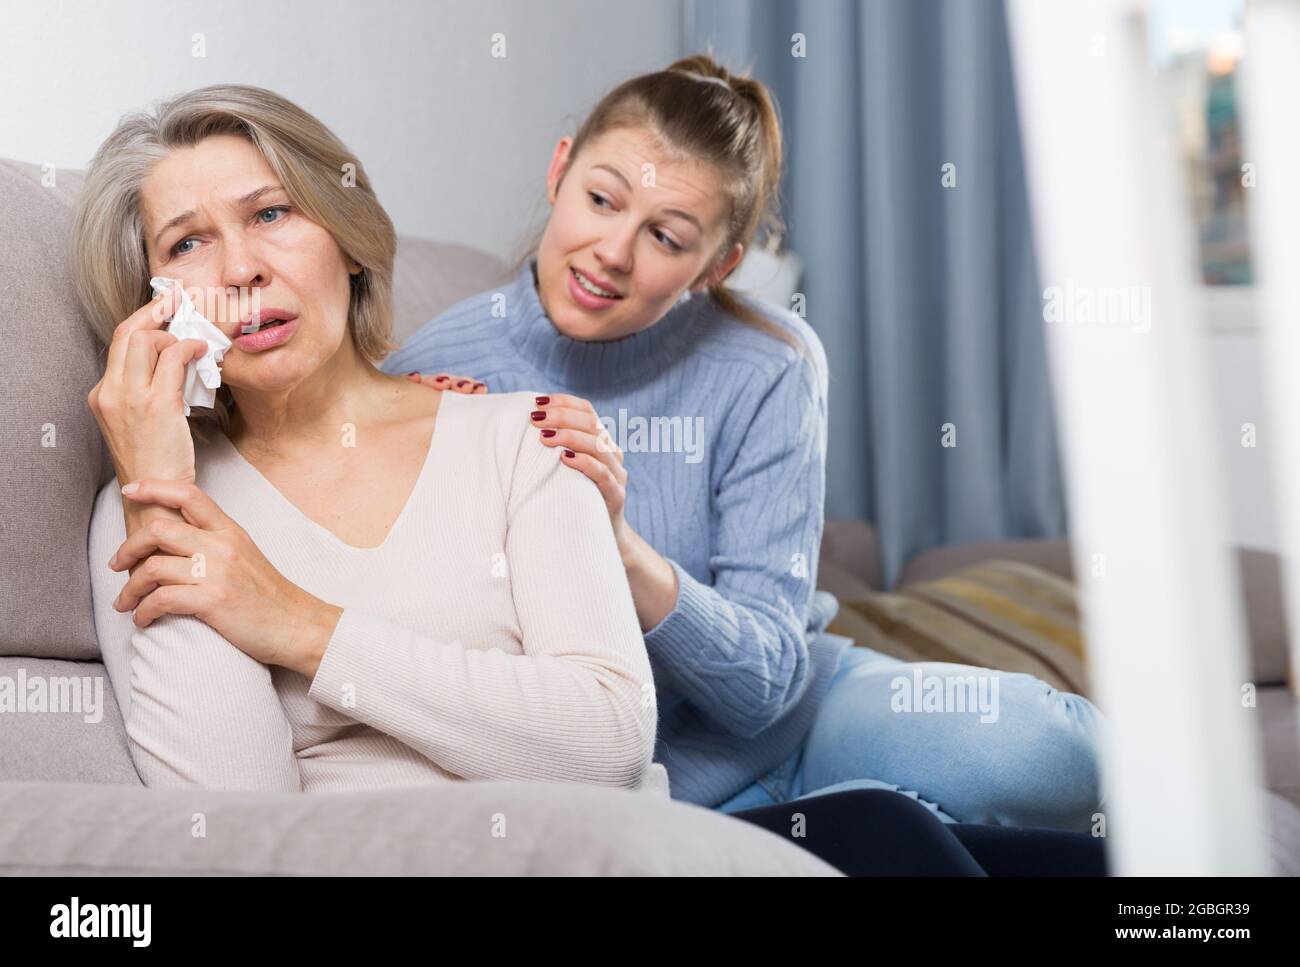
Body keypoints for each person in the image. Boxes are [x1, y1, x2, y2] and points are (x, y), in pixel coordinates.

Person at [390, 54, 1107, 832]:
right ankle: (892, 821)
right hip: (631, 775)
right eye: (601, 200)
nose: (613, 252)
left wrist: (624, 549)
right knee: (907, 827)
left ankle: (884, 817)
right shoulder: (438, 369)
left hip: (799, 718)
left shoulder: (769, 360)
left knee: (1050, 752)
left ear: (718, 265)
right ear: (560, 171)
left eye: (666, 236)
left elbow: (764, 683)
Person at [75, 84, 663, 794]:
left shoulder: (528, 437)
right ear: (155, 304)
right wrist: (162, 492)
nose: (239, 270)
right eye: (188, 242)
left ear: (347, 241)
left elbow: (608, 745)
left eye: (270, 212)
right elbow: (231, 825)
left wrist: (296, 624)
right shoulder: (145, 505)